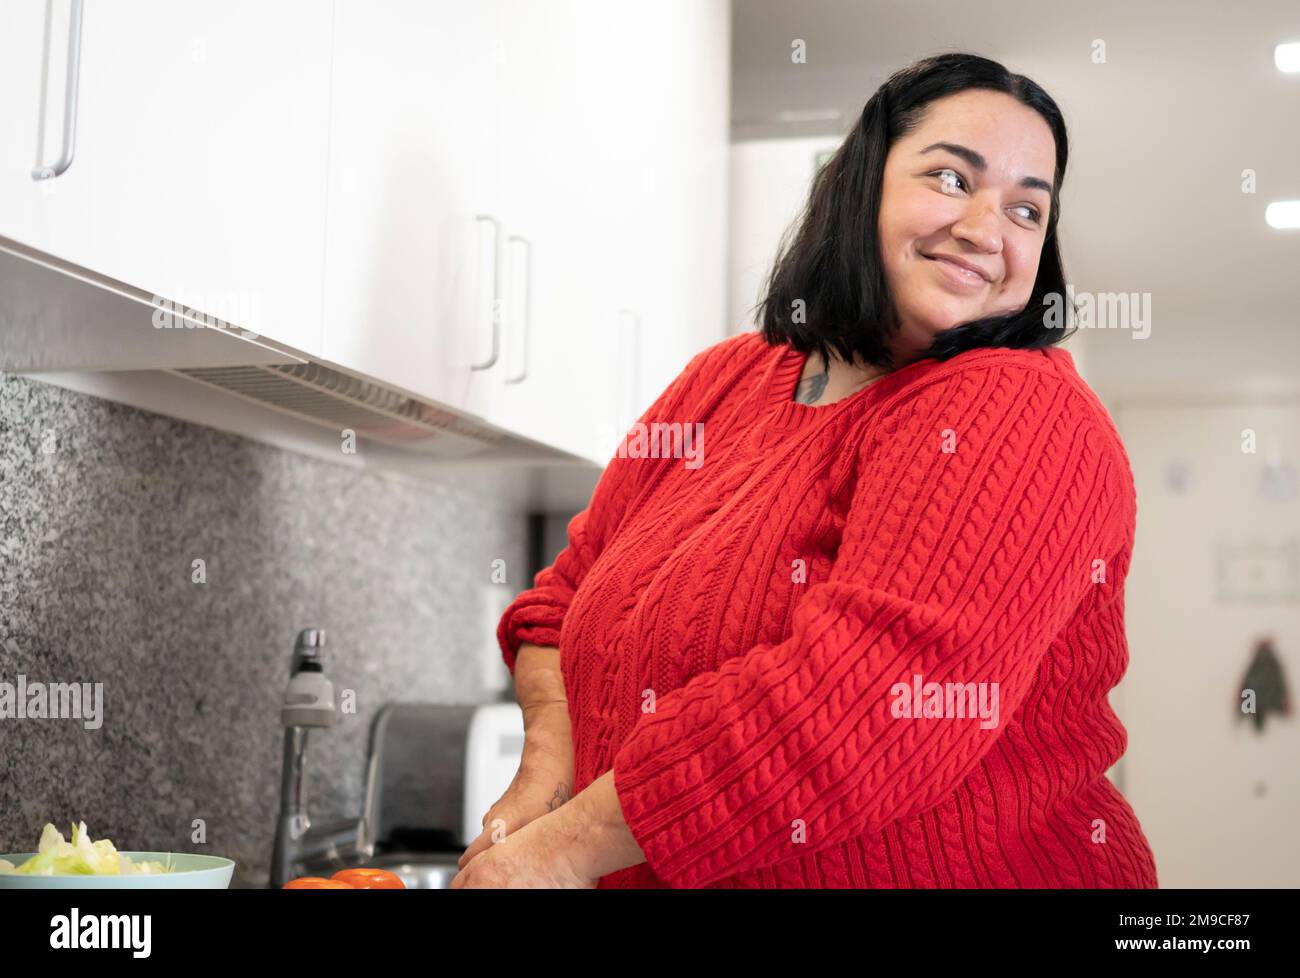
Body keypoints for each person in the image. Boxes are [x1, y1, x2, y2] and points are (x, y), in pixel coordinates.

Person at [453, 51, 1159, 889]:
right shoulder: (730, 378)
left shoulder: (1020, 411)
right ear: (860, 185)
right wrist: (545, 782)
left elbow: (871, 710)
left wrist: (561, 854)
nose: (985, 229)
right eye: (949, 178)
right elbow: (563, 602)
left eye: (1027, 209)